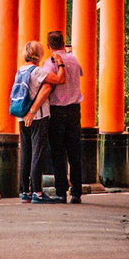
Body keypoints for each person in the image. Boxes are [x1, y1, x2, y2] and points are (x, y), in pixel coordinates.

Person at [42, 29, 84, 204]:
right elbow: (79, 73)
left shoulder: (49, 63)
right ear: (62, 43)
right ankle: (76, 192)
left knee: (58, 152)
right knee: (74, 151)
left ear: (48, 45)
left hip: (57, 111)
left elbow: (45, 83)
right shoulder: (73, 59)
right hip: (74, 110)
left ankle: (61, 192)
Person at [13, 40, 55, 202]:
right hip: (38, 116)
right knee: (37, 154)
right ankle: (37, 192)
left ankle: (26, 192)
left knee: (26, 153)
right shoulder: (38, 72)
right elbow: (58, 80)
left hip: (22, 117)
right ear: (39, 54)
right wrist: (60, 63)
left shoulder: (20, 70)